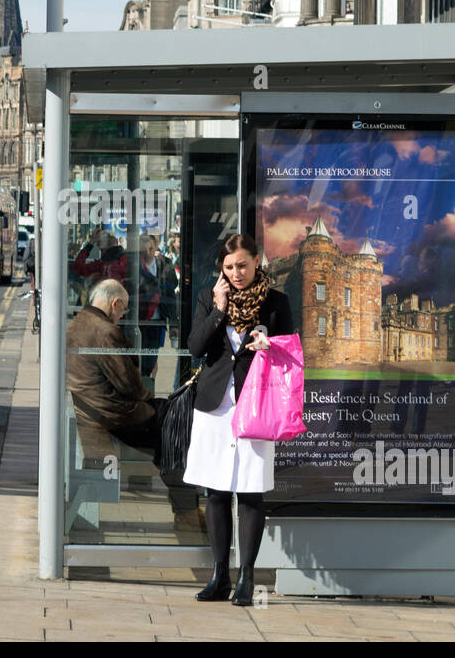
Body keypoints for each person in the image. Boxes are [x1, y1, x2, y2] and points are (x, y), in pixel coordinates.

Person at [185, 233, 294, 607]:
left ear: (257, 261)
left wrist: (270, 344)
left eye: (242, 265)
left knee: (249, 490)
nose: (236, 273)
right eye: (229, 267)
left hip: (256, 404)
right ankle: (220, 575)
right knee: (216, 491)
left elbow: (294, 352)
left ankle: (247, 577)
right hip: (216, 406)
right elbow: (195, 347)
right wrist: (218, 308)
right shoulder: (208, 297)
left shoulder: (277, 303)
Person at [65, 279, 196, 523]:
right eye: (123, 309)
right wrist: (151, 399)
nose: (122, 315)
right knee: (175, 429)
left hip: (92, 407)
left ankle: (185, 507)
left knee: (168, 423)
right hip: (114, 412)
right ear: (115, 303)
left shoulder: (77, 323)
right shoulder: (106, 331)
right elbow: (130, 384)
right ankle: (186, 511)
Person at [137, 235, 178, 379]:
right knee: (136, 359)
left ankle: (147, 384)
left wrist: (173, 323)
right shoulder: (135, 266)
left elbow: (171, 292)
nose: (147, 252)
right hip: (138, 319)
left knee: (150, 358)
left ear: (155, 248)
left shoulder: (163, 264)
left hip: (156, 320)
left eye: (150, 249)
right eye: (143, 249)